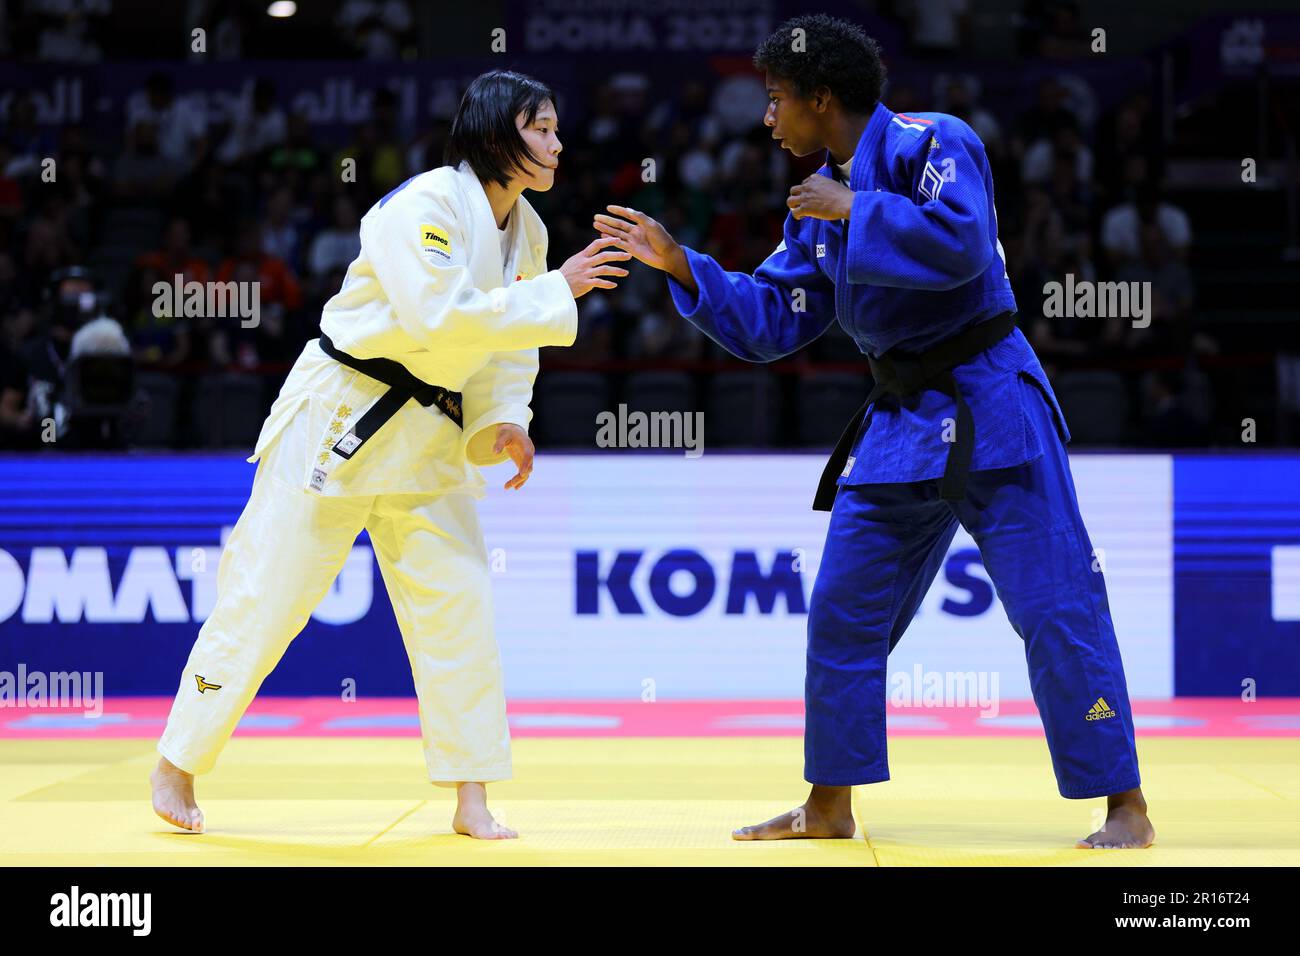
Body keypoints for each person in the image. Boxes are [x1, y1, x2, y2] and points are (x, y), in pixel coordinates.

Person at [596, 14, 1154, 849]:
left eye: (779, 99)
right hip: (899, 422)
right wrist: (685, 267)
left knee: (1053, 604)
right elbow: (774, 319)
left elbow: (964, 244)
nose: (767, 117)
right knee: (842, 614)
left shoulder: (935, 142)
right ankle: (828, 804)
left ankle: (1126, 807)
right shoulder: (813, 205)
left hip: (992, 403)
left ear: (823, 99)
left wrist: (855, 207)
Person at [151, 69, 630, 840]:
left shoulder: (529, 233)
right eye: (540, 128)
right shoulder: (424, 207)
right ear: (496, 134)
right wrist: (561, 292)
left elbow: (509, 348)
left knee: (459, 610)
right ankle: (177, 760)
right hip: (342, 417)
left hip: (433, 432)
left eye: (554, 128)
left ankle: (471, 796)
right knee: (267, 597)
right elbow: (441, 317)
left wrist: (506, 417)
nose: (556, 143)